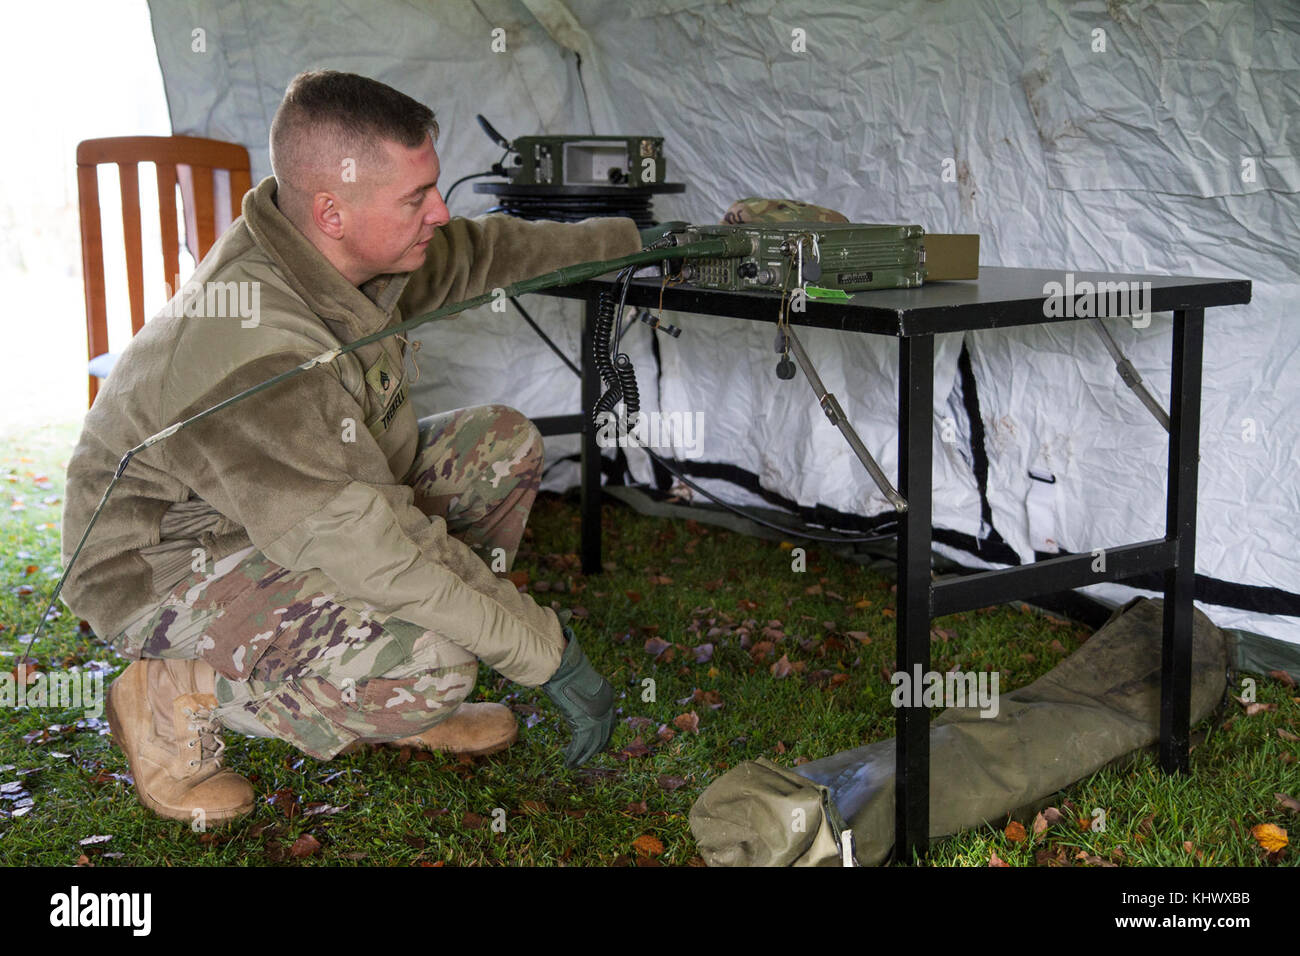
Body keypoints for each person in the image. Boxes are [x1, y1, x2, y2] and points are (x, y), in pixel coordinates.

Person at [60, 70, 646, 826]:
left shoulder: (355, 251)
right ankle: (176, 690)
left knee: (498, 446)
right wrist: (546, 652)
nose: (439, 212)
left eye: (432, 188)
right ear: (331, 210)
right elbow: (371, 544)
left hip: (283, 511)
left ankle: (385, 699)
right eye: (416, 199)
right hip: (164, 564)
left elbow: (484, 252)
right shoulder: (256, 348)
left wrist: (634, 244)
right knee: (439, 664)